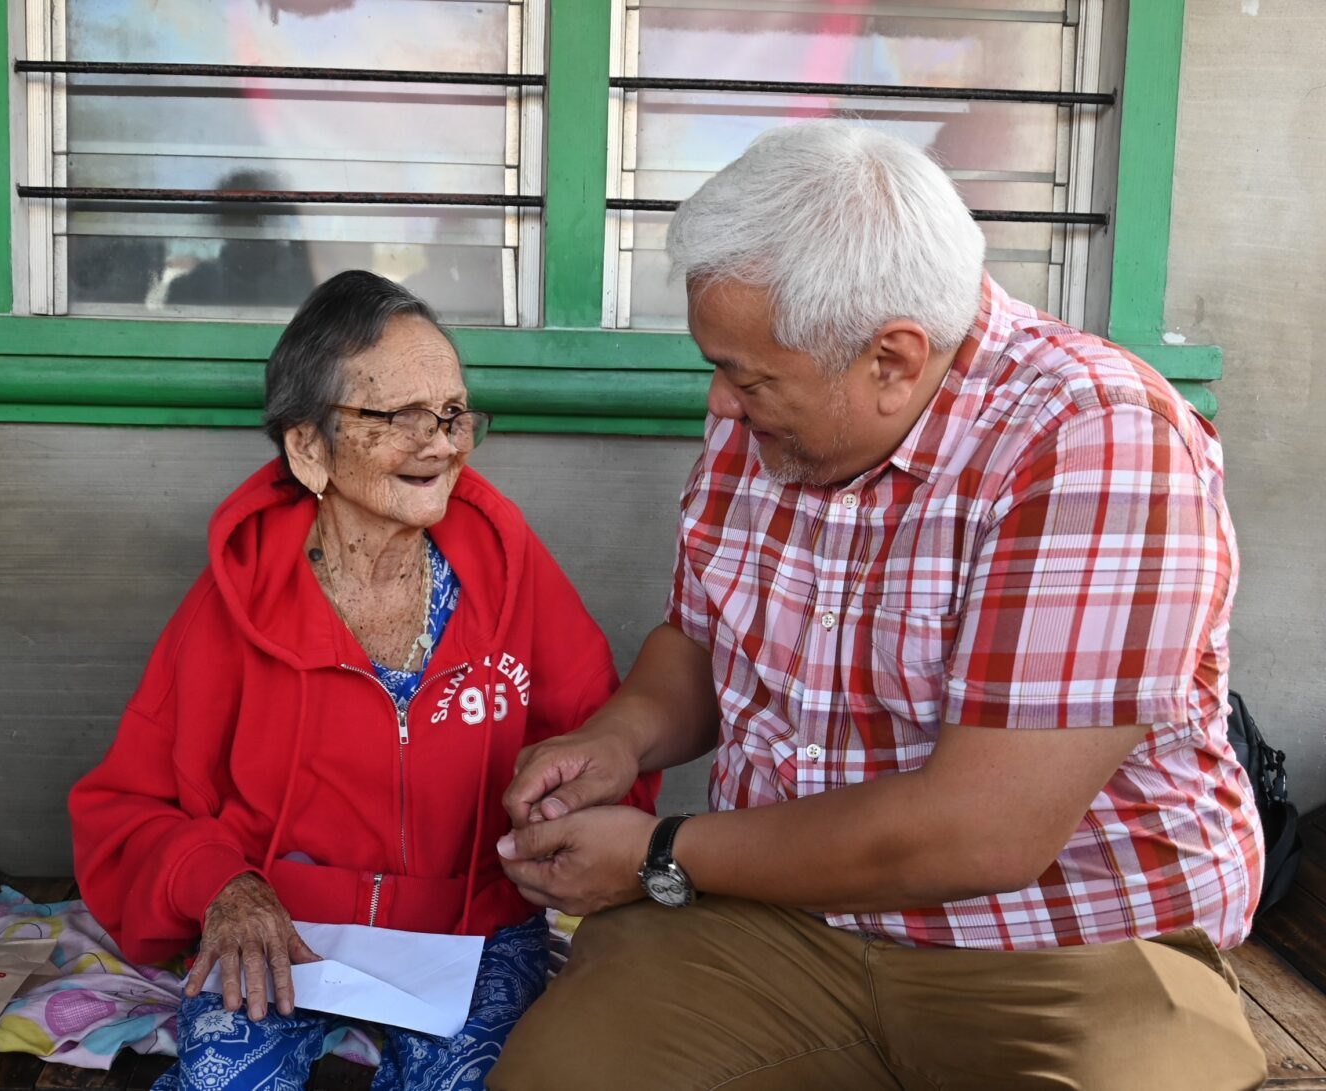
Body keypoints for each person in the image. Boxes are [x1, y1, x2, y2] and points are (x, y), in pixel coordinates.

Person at [488, 121, 1268, 1090]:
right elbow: (698, 641)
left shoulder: (1097, 438)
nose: (721, 403)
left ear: (893, 359)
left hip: (1069, 945)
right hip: (774, 917)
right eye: (721, 368)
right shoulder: (771, 411)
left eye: (746, 375)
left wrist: (658, 850)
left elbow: (982, 831)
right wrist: (619, 739)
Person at [69, 270, 657, 1091]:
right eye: (399, 417)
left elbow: (604, 745)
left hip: (472, 931)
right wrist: (223, 885)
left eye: (452, 413)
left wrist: (563, 817)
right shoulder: (242, 599)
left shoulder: (507, 569)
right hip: (284, 925)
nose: (442, 444)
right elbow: (127, 805)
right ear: (309, 447)